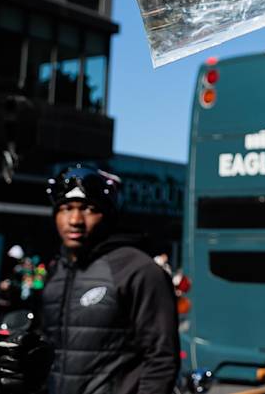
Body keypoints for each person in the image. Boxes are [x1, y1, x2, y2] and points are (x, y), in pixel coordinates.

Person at [38, 165, 180, 394]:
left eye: (88, 208)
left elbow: (161, 360)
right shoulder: (56, 272)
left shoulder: (139, 270)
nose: (75, 219)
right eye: (65, 208)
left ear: (107, 214)